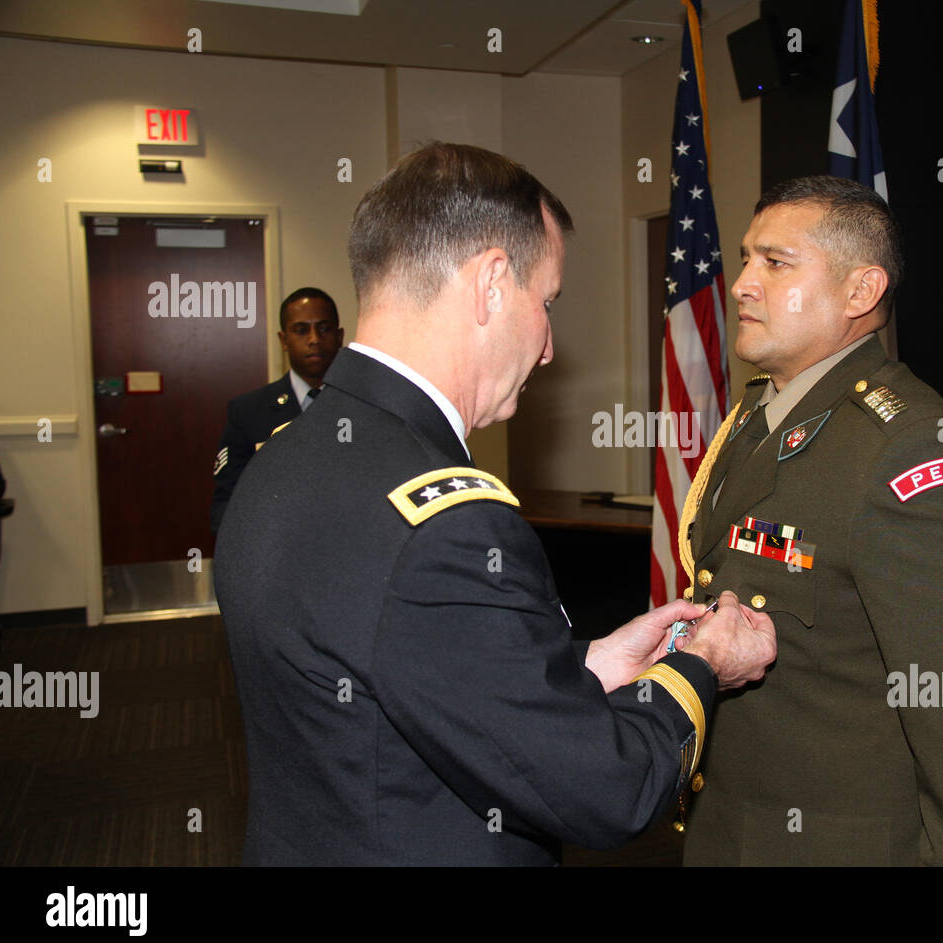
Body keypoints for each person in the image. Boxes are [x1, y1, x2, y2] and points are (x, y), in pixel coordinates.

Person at [214, 143, 777, 866]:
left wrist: (596, 662)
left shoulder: (288, 453)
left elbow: (418, 669)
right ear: (490, 284)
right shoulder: (445, 525)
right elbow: (607, 788)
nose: (547, 349)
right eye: (546, 303)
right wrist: (701, 663)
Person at [680, 176, 943, 866]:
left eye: (775, 263)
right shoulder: (757, 414)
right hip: (732, 825)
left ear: (860, 292)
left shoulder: (906, 453)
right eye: (748, 258)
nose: (742, 284)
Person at [209, 287, 343, 534]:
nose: (314, 339)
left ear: (340, 336)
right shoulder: (248, 413)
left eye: (324, 328)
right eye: (301, 330)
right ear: (284, 340)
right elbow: (227, 503)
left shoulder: (367, 405)